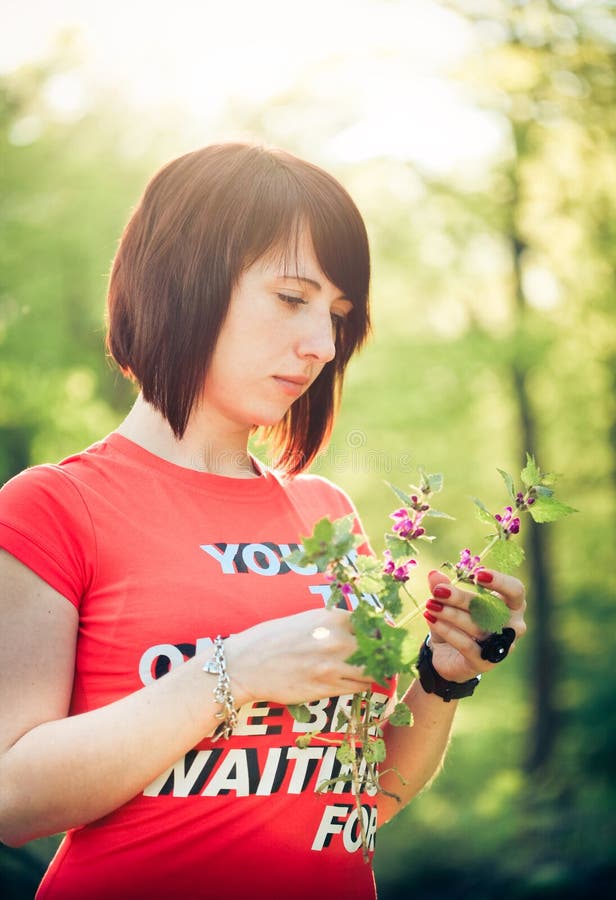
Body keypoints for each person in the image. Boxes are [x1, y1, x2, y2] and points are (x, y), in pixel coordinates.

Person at [0, 143, 526, 900]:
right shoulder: (54, 507)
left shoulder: (326, 515)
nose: (323, 346)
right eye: (290, 297)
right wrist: (234, 672)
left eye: (337, 316)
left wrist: (445, 678)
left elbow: (356, 802)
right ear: (182, 281)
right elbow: (13, 800)